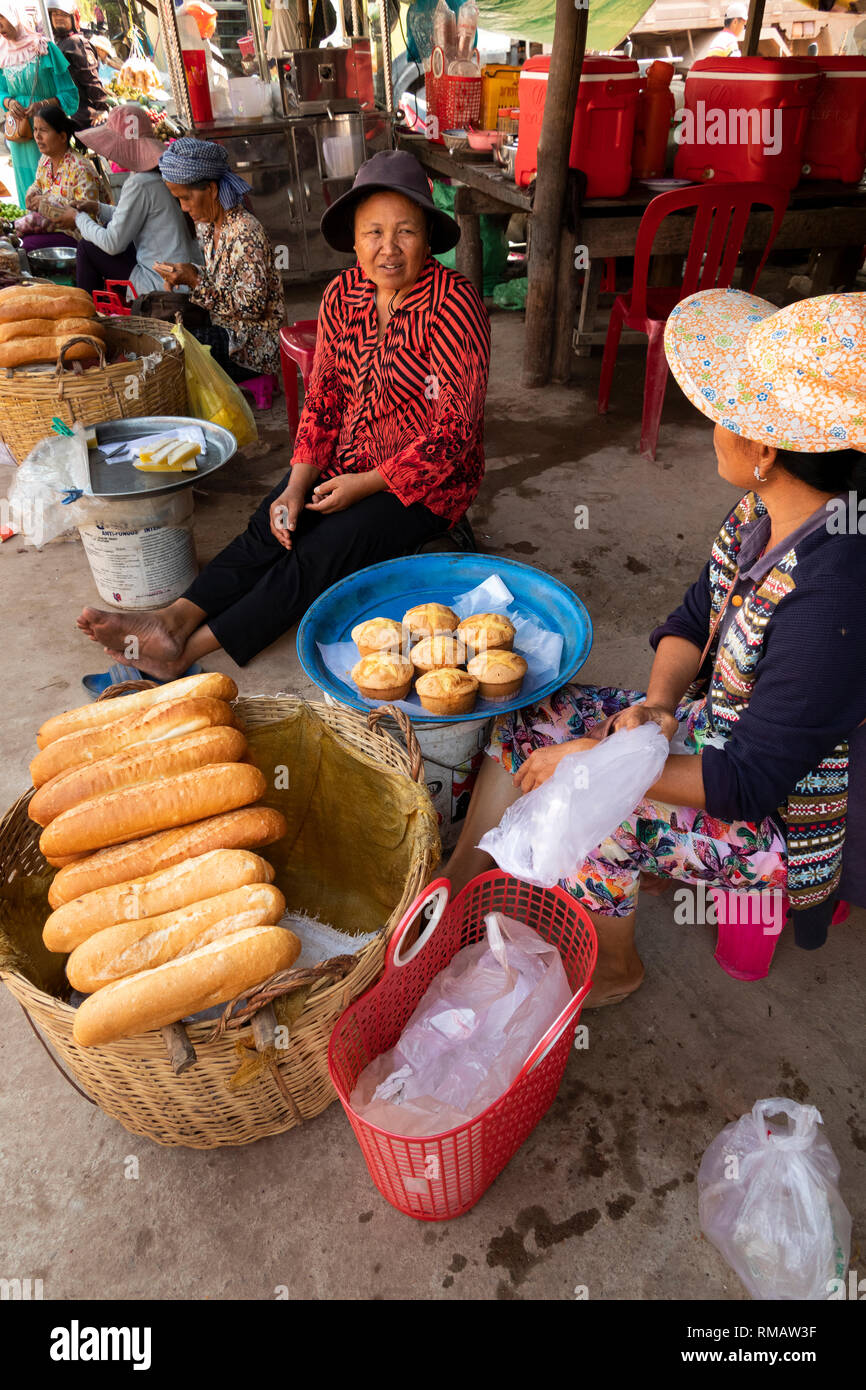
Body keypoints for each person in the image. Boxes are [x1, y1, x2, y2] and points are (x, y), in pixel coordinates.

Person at [445, 288, 866, 1005]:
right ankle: (458, 882)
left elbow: (748, 784)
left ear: (763, 446)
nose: (710, 424)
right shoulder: (764, 513)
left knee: (593, 800)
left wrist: (597, 762)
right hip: (724, 737)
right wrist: (661, 706)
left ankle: (613, 967)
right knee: (527, 714)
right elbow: (689, 618)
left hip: (790, 816)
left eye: (726, 411)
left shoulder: (835, 592)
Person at [77, 150, 490, 677]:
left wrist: (367, 484)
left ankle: (187, 650)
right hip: (348, 460)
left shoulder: (455, 305)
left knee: (321, 550)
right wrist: (297, 485)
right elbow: (323, 402)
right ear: (354, 238)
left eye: (405, 232)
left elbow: (455, 432)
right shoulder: (344, 295)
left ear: (428, 236)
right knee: (271, 523)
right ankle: (172, 619)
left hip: (424, 485)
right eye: (373, 233)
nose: (388, 249)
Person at [154, 137, 283, 381]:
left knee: (178, 352)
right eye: (178, 199)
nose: (183, 207)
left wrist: (195, 281)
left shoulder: (245, 231)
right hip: (224, 327)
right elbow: (222, 278)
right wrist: (190, 271)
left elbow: (251, 308)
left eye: (186, 198)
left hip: (252, 345)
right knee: (162, 333)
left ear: (211, 190)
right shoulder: (208, 226)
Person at [48, 103, 200, 296]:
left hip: (162, 285)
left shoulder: (140, 183)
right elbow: (133, 216)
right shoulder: (157, 175)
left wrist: (78, 218)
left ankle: (87, 312)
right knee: (103, 236)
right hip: (183, 277)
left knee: (87, 247)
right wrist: (97, 208)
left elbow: (112, 243)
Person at [0, 2, 78, 207]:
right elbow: (1, 91)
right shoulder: (2, 54)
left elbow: (70, 95)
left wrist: (42, 104)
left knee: (54, 186)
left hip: (49, 129)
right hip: (20, 132)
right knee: (28, 187)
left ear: (14, 16)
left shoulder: (43, 48)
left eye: (1, 19)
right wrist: (8, 101)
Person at [21, 104, 98, 253]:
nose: (37, 136)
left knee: (25, 245)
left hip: (77, 236)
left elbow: (89, 215)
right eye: (35, 129)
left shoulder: (81, 168)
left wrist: (47, 202)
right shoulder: (45, 160)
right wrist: (32, 193)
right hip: (51, 227)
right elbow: (38, 184)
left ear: (62, 136)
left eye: (43, 130)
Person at [47, 0, 109, 129]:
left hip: (85, 117)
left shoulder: (76, 42)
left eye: (63, 14)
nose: (58, 18)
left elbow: (91, 79)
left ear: (73, 17)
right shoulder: (59, 43)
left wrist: (102, 108)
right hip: (69, 114)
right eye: (55, 14)